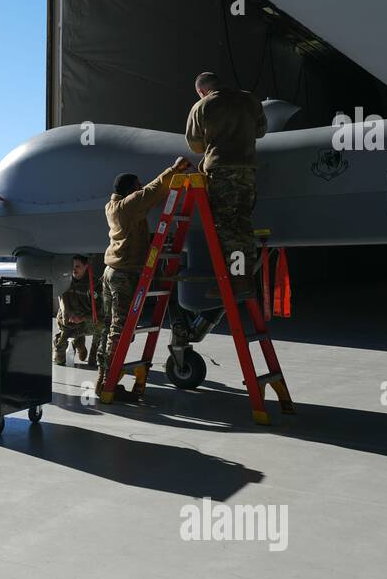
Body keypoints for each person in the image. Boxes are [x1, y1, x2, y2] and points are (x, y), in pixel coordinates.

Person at [98, 160, 192, 380]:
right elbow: (153, 190)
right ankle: (109, 378)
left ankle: (103, 374)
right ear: (131, 191)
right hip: (124, 274)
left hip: (112, 271)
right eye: (137, 186)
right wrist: (174, 170)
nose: (140, 188)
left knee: (110, 327)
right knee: (121, 330)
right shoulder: (128, 206)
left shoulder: (113, 206)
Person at [184, 71, 267, 300]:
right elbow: (261, 131)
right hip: (247, 169)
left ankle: (235, 282)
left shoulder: (202, 105)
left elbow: (195, 145)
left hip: (221, 171)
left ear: (202, 91)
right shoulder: (250, 99)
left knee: (226, 228)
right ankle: (244, 278)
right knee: (242, 223)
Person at [54, 254, 100, 366]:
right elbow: (61, 299)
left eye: (78, 266)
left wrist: (83, 318)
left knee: (102, 327)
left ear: (86, 267)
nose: (74, 269)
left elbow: (99, 310)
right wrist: (67, 314)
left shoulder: (94, 284)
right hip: (68, 321)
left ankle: (93, 354)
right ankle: (79, 342)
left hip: (85, 321)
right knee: (59, 360)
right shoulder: (65, 280)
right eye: (72, 266)